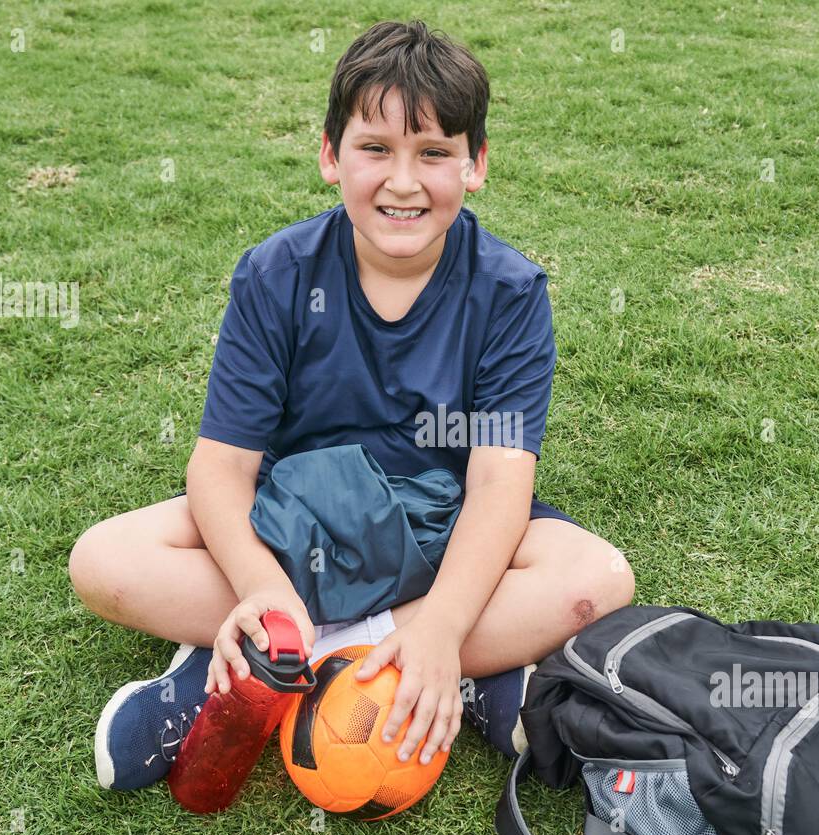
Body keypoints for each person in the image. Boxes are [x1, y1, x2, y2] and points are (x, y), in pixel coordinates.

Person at [69, 19, 636, 792]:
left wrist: (442, 621)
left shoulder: (508, 293)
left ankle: (265, 665)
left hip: (440, 532)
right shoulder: (275, 274)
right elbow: (221, 470)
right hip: (298, 528)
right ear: (332, 156)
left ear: (476, 166)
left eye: (434, 153)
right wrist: (265, 587)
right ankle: (439, 667)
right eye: (377, 149)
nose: (404, 182)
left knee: (595, 577)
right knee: (103, 561)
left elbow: (500, 485)